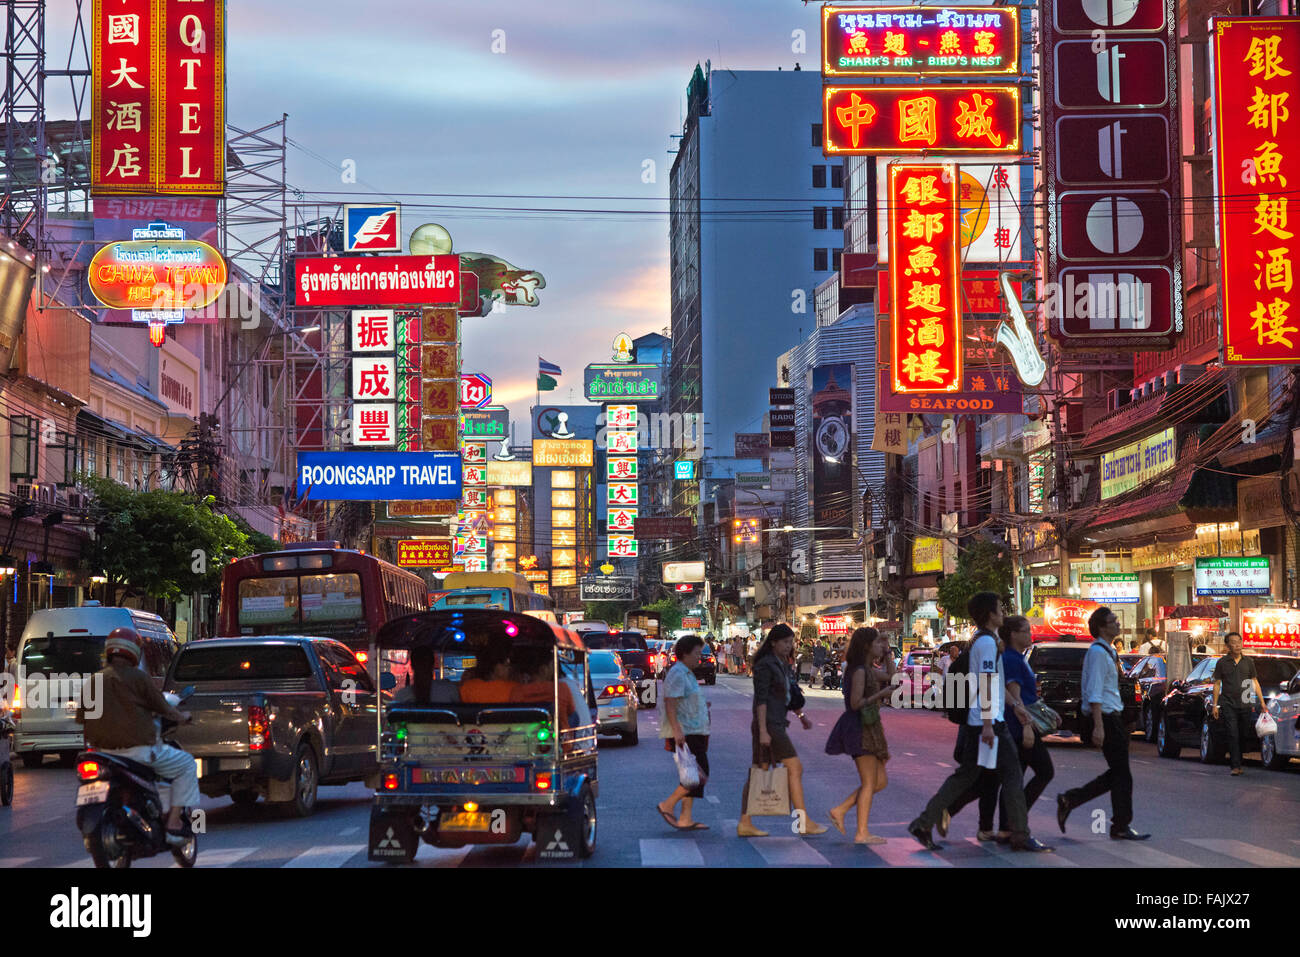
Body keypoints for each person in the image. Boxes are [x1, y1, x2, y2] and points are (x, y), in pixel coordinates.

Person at [908, 592, 1051, 853]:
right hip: (987, 723)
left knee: (970, 777)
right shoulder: (986, 644)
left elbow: (995, 684)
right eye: (999, 608)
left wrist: (1017, 708)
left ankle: (924, 822)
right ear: (989, 614)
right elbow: (985, 683)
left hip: (989, 720)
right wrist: (987, 725)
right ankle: (1020, 834)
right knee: (1007, 775)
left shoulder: (989, 641)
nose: (1003, 613)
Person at [80, 628, 198, 842]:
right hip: (138, 752)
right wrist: (183, 717)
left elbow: (82, 717)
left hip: (100, 752)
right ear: (134, 652)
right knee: (188, 764)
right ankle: (173, 822)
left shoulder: (93, 680)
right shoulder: (139, 678)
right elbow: (163, 707)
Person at [1057, 607, 1149, 840]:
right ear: (1101, 627)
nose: (1118, 623)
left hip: (1112, 717)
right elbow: (1094, 690)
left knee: (1119, 773)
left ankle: (1072, 800)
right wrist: (1098, 725)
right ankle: (1119, 824)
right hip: (1106, 718)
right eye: (1113, 620)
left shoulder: (1107, 651)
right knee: (1122, 775)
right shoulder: (1098, 653)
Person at [738, 623, 827, 838]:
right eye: (785, 642)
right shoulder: (764, 665)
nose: (789, 646)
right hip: (768, 725)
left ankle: (745, 822)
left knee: (760, 770)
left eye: (791, 642)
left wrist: (801, 715)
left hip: (777, 723)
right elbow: (761, 700)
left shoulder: (782, 663)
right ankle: (803, 821)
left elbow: (787, 694)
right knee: (793, 767)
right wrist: (763, 730)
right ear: (774, 642)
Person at [974, 615, 1055, 841]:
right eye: (1026, 631)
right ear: (1013, 635)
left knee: (1012, 778)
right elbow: (1015, 696)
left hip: (1016, 725)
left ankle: (1007, 825)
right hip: (1018, 727)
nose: (1030, 635)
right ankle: (1012, 822)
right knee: (1043, 771)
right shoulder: (1012, 659)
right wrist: (1027, 726)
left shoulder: (1017, 658)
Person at [825, 627, 895, 844]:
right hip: (859, 728)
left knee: (879, 781)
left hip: (870, 726)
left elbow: (891, 675)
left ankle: (841, 809)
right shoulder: (859, 671)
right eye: (876, 643)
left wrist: (887, 652)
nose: (879, 647)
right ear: (866, 646)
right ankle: (862, 832)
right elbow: (855, 703)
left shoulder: (866, 668)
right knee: (869, 782)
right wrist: (881, 695)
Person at [656, 635, 711, 830]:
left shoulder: (686, 673)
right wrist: (677, 730)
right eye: (697, 653)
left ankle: (685, 818)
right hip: (685, 731)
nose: (699, 657)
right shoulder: (678, 673)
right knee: (698, 773)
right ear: (685, 654)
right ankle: (668, 804)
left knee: (691, 775)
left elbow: (685, 699)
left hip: (694, 729)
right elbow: (671, 702)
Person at [1211, 631, 1268, 776]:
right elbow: (1217, 684)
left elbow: (1254, 681)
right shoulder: (1222, 663)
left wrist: (1262, 702)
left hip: (1246, 702)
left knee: (1243, 734)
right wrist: (1215, 705)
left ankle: (1239, 760)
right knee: (1232, 734)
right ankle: (1235, 766)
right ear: (1228, 646)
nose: (1237, 645)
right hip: (1228, 703)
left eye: (1239, 642)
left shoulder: (1248, 662)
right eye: (1234, 642)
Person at [509, 653, 577, 730]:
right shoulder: (561, 688)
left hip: (526, 736)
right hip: (560, 737)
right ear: (544, 669)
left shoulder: (517, 691)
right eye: (552, 666)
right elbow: (572, 713)